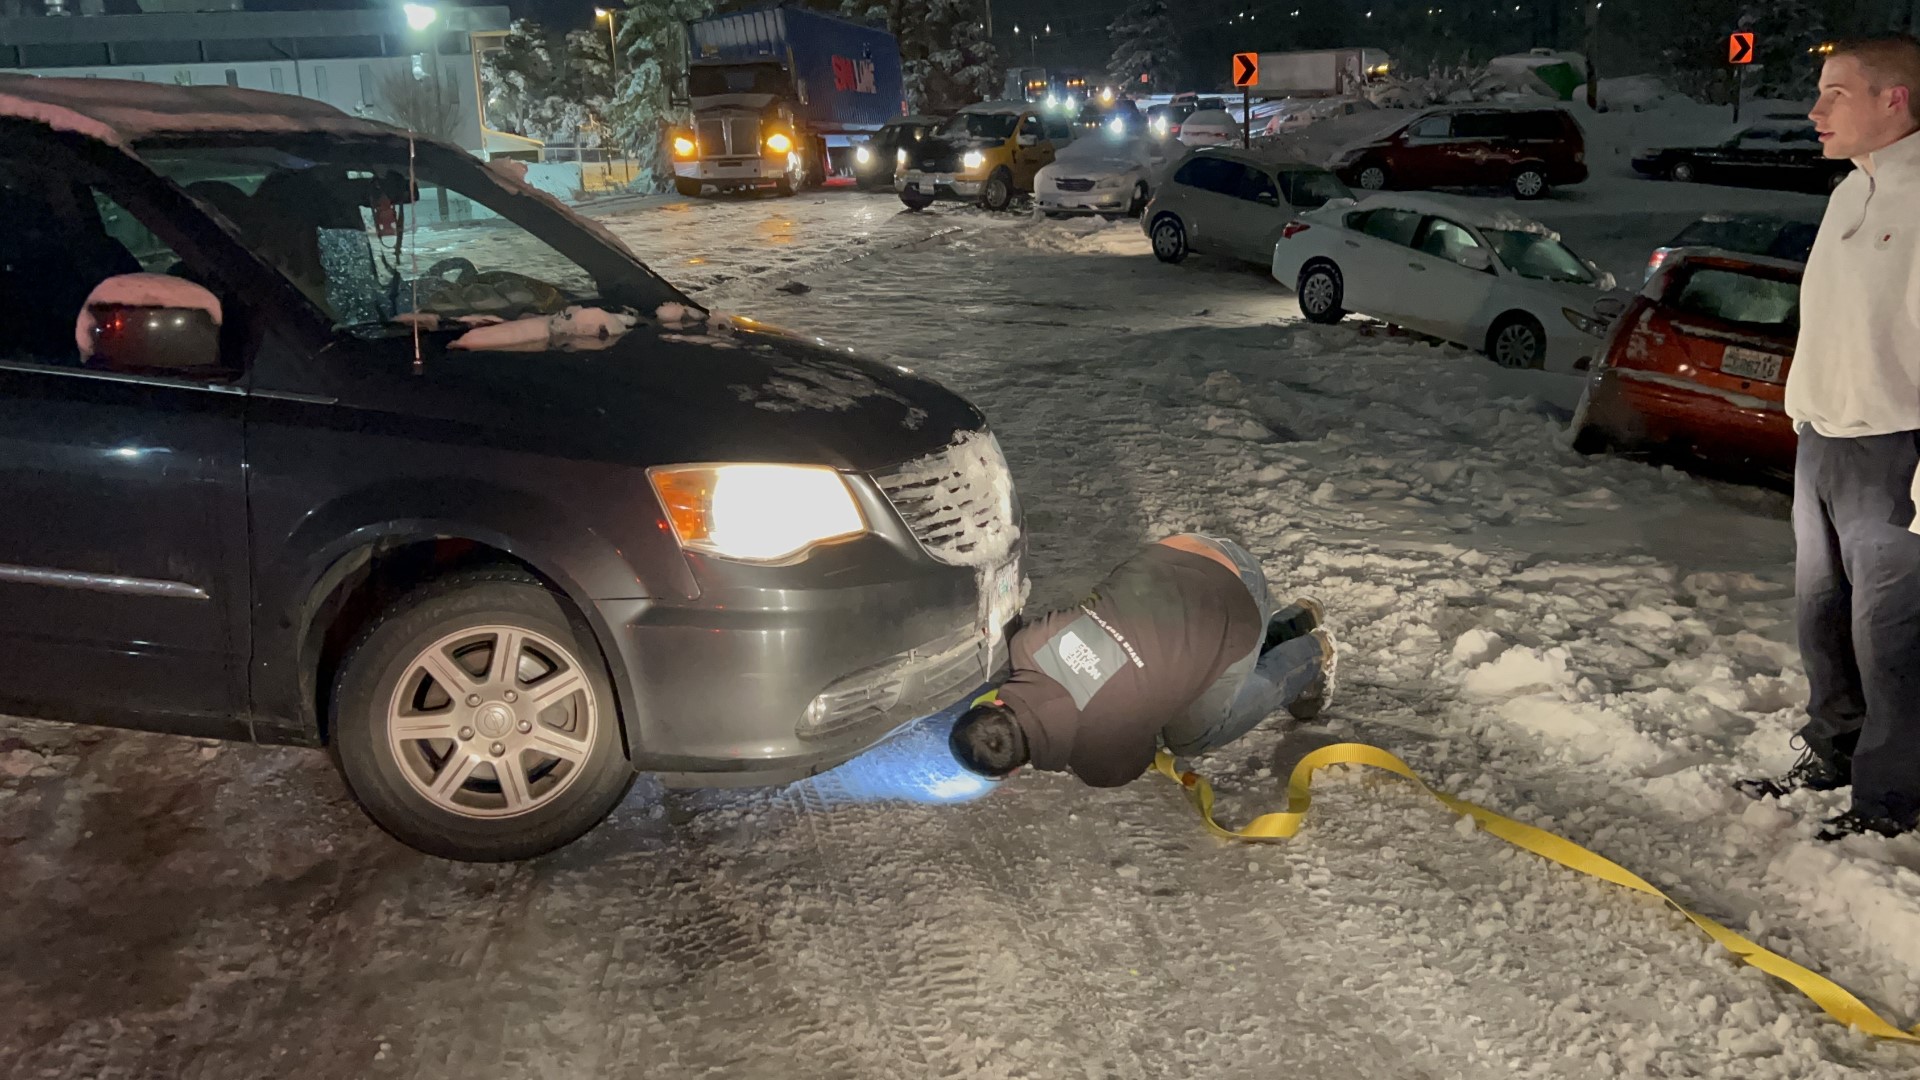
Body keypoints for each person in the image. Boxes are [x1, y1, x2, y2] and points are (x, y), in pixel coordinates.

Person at [1737, 34, 1920, 840]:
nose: (1813, 112)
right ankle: (1833, 751)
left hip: (1896, 452)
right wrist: (1802, 412)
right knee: (1823, 618)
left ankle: (1892, 799)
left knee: (1893, 637)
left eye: (1833, 93)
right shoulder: (1850, 192)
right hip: (1825, 442)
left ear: (1894, 99)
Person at [949, 534, 1337, 786]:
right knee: (1175, 662)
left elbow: (1143, 752)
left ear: (1016, 769)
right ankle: (1293, 623)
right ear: (995, 701)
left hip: (1238, 601)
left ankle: (1311, 655)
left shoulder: (1099, 756)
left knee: (1191, 735)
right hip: (1195, 551)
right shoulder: (1030, 645)